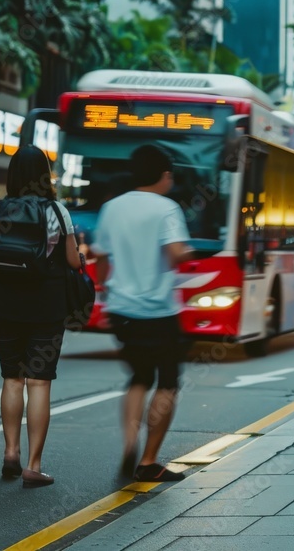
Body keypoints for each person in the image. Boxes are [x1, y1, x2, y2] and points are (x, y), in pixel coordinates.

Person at [0, 145, 82, 488]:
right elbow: (73, 263)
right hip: (45, 307)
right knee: (39, 382)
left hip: (4, 305)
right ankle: (33, 466)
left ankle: (10, 452)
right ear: (44, 175)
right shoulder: (56, 210)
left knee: (12, 379)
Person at [91, 144, 193, 482]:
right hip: (159, 310)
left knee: (138, 378)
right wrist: (189, 251)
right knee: (167, 383)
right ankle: (148, 461)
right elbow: (177, 253)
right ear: (165, 176)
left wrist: (107, 293)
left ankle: (129, 443)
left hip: (123, 309)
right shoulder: (167, 209)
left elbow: (101, 257)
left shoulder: (111, 208)